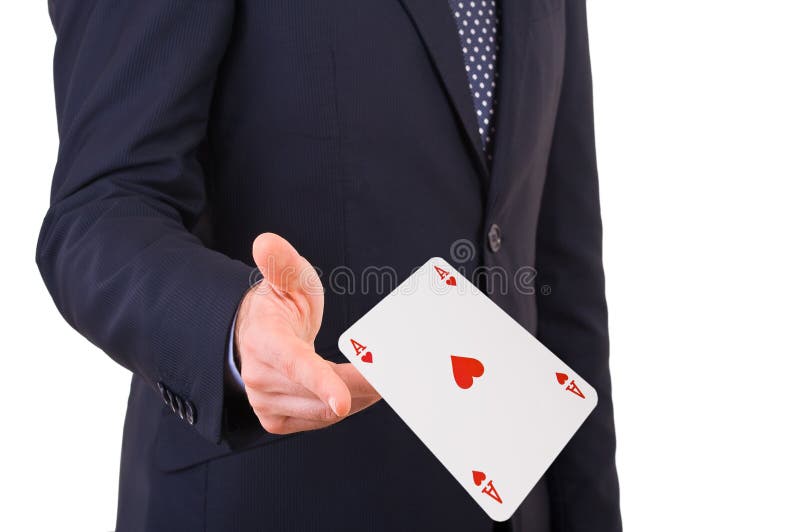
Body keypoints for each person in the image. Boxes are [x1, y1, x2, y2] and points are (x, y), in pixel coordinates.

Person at [37, 0, 621, 530]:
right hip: (275, 501)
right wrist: (229, 329)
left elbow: (561, 258)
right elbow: (100, 210)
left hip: (518, 505)